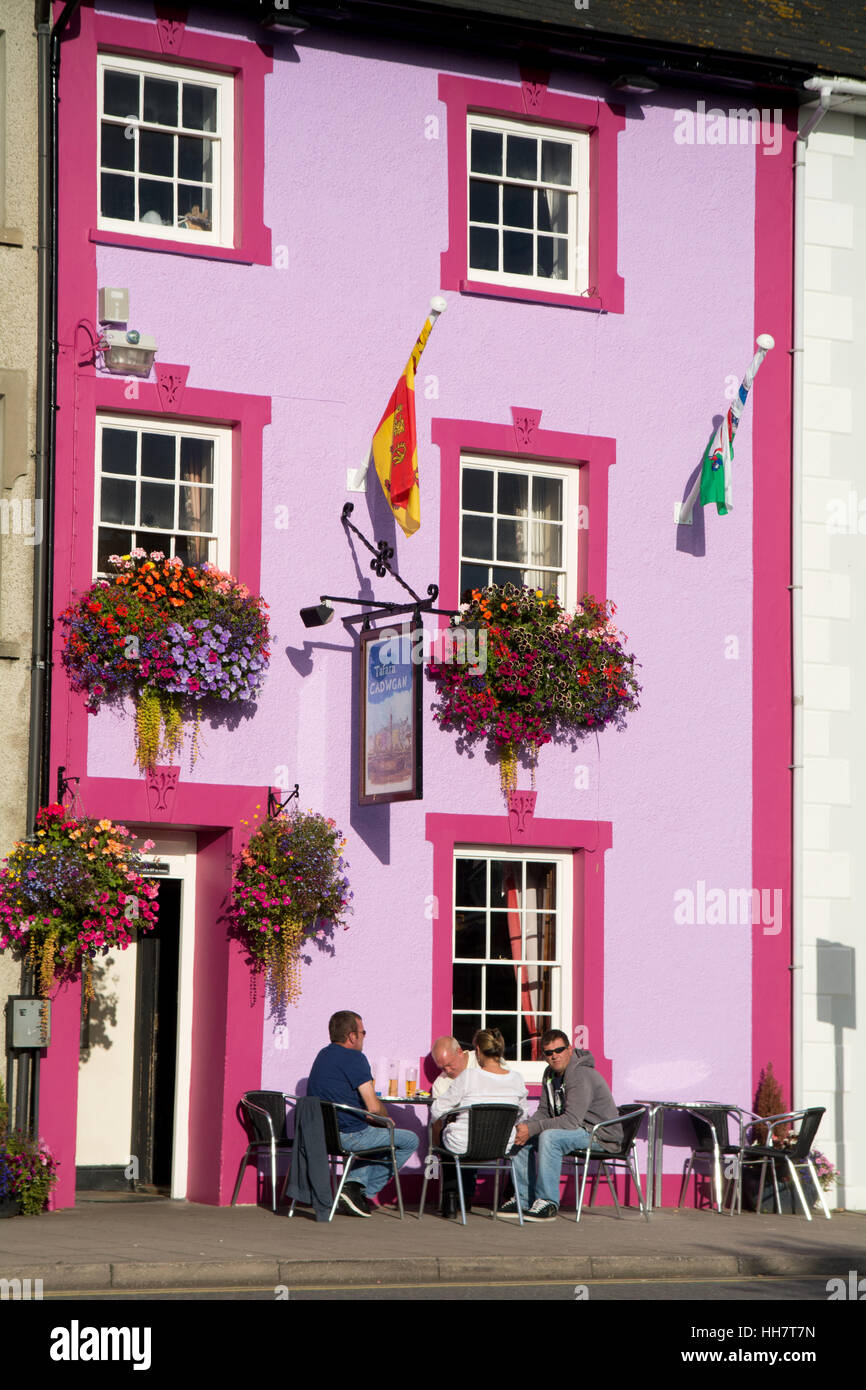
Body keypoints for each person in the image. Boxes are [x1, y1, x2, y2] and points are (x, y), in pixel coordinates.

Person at [499, 1030, 622, 1222]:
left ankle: (547, 1202)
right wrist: (525, 1128)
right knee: (522, 1136)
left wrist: (534, 1128)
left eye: (559, 1050)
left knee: (549, 1137)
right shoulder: (550, 1074)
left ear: (569, 1049)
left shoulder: (580, 1074)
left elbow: (570, 1120)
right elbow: (544, 1111)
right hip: (578, 1129)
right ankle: (523, 1199)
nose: (554, 1055)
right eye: (549, 1052)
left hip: (600, 1134)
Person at [307, 1010, 419, 1217]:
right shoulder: (354, 1057)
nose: (364, 1037)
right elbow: (374, 1107)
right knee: (409, 1139)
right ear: (352, 1036)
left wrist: (376, 1121)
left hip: (322, 1136)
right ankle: (360, 1191)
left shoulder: (323, 1055)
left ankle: (353, 1187)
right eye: (363, 1032)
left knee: (378, 1138)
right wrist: (386, 1120)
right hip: (350, 1136)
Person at [431, 1028, 527, 1218]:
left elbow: (436, 1110)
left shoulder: (468, 1076)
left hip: (465, 1145)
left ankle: (451, 1200)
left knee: (450, 1135)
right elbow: (522, 1114)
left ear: (477, 1051)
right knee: (462, 1133)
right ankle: (473, 1198)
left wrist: (456, 1113)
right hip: (501, 1146)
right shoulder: (516, 1078)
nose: (447, 1071)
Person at [430, 1035, 478, 1217]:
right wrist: (435, 1147)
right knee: (447, 1136)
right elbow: (437, 1120)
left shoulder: (481, 1061)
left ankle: (461, 1196)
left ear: (460, 1052)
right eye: (442, 1067)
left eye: (450, 1064)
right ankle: (452, 1196)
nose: (447, 1070)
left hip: (488, 1130)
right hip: (460, 1134)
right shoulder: (441, 1083)